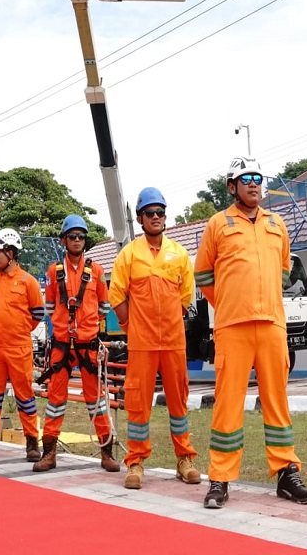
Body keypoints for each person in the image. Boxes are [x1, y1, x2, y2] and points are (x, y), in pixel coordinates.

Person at [194, 156, 307, 509]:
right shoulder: (218, 224)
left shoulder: (277, 224)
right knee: (228, 405)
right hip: (233, 328)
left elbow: (283, 273)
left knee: (277, 403)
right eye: (245, 178)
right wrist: (231, 301)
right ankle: (220, 479)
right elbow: (203, 275)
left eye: (257, 178)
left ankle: (286, 474)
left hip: (272, 326)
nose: (253, 184)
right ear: (232, 186)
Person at [109, 187, 200, 490]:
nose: (156, 217)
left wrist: (172, 319)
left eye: (160, 212)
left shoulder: (179, 253)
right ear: (139, 218)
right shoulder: (129, 254)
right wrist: (130, 324)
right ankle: (135, 462)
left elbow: (186, 295)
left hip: (173, 341)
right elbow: (117, 294)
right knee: (137, 404)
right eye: (150, 213)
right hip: (142, 342)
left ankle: (185, 459)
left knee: (179, 401)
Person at [33, 214, 120, 473]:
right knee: (55, 400)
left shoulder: (97, 271)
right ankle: (49, 452)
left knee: (97, 400)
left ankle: (106, 452)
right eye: (72, 236)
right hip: (61, 345)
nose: (77, 240)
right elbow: (49, 306)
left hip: (88, 346)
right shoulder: (53, 272)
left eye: (81, 237)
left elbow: (104, 306)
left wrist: (87, 327)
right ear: (64, 240)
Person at [0, 228, 45, 464]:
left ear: (11, 252)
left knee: (25, 396)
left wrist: (19, 330)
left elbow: (37, 314)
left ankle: (32, 442)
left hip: (19, 347)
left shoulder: (28, 282)